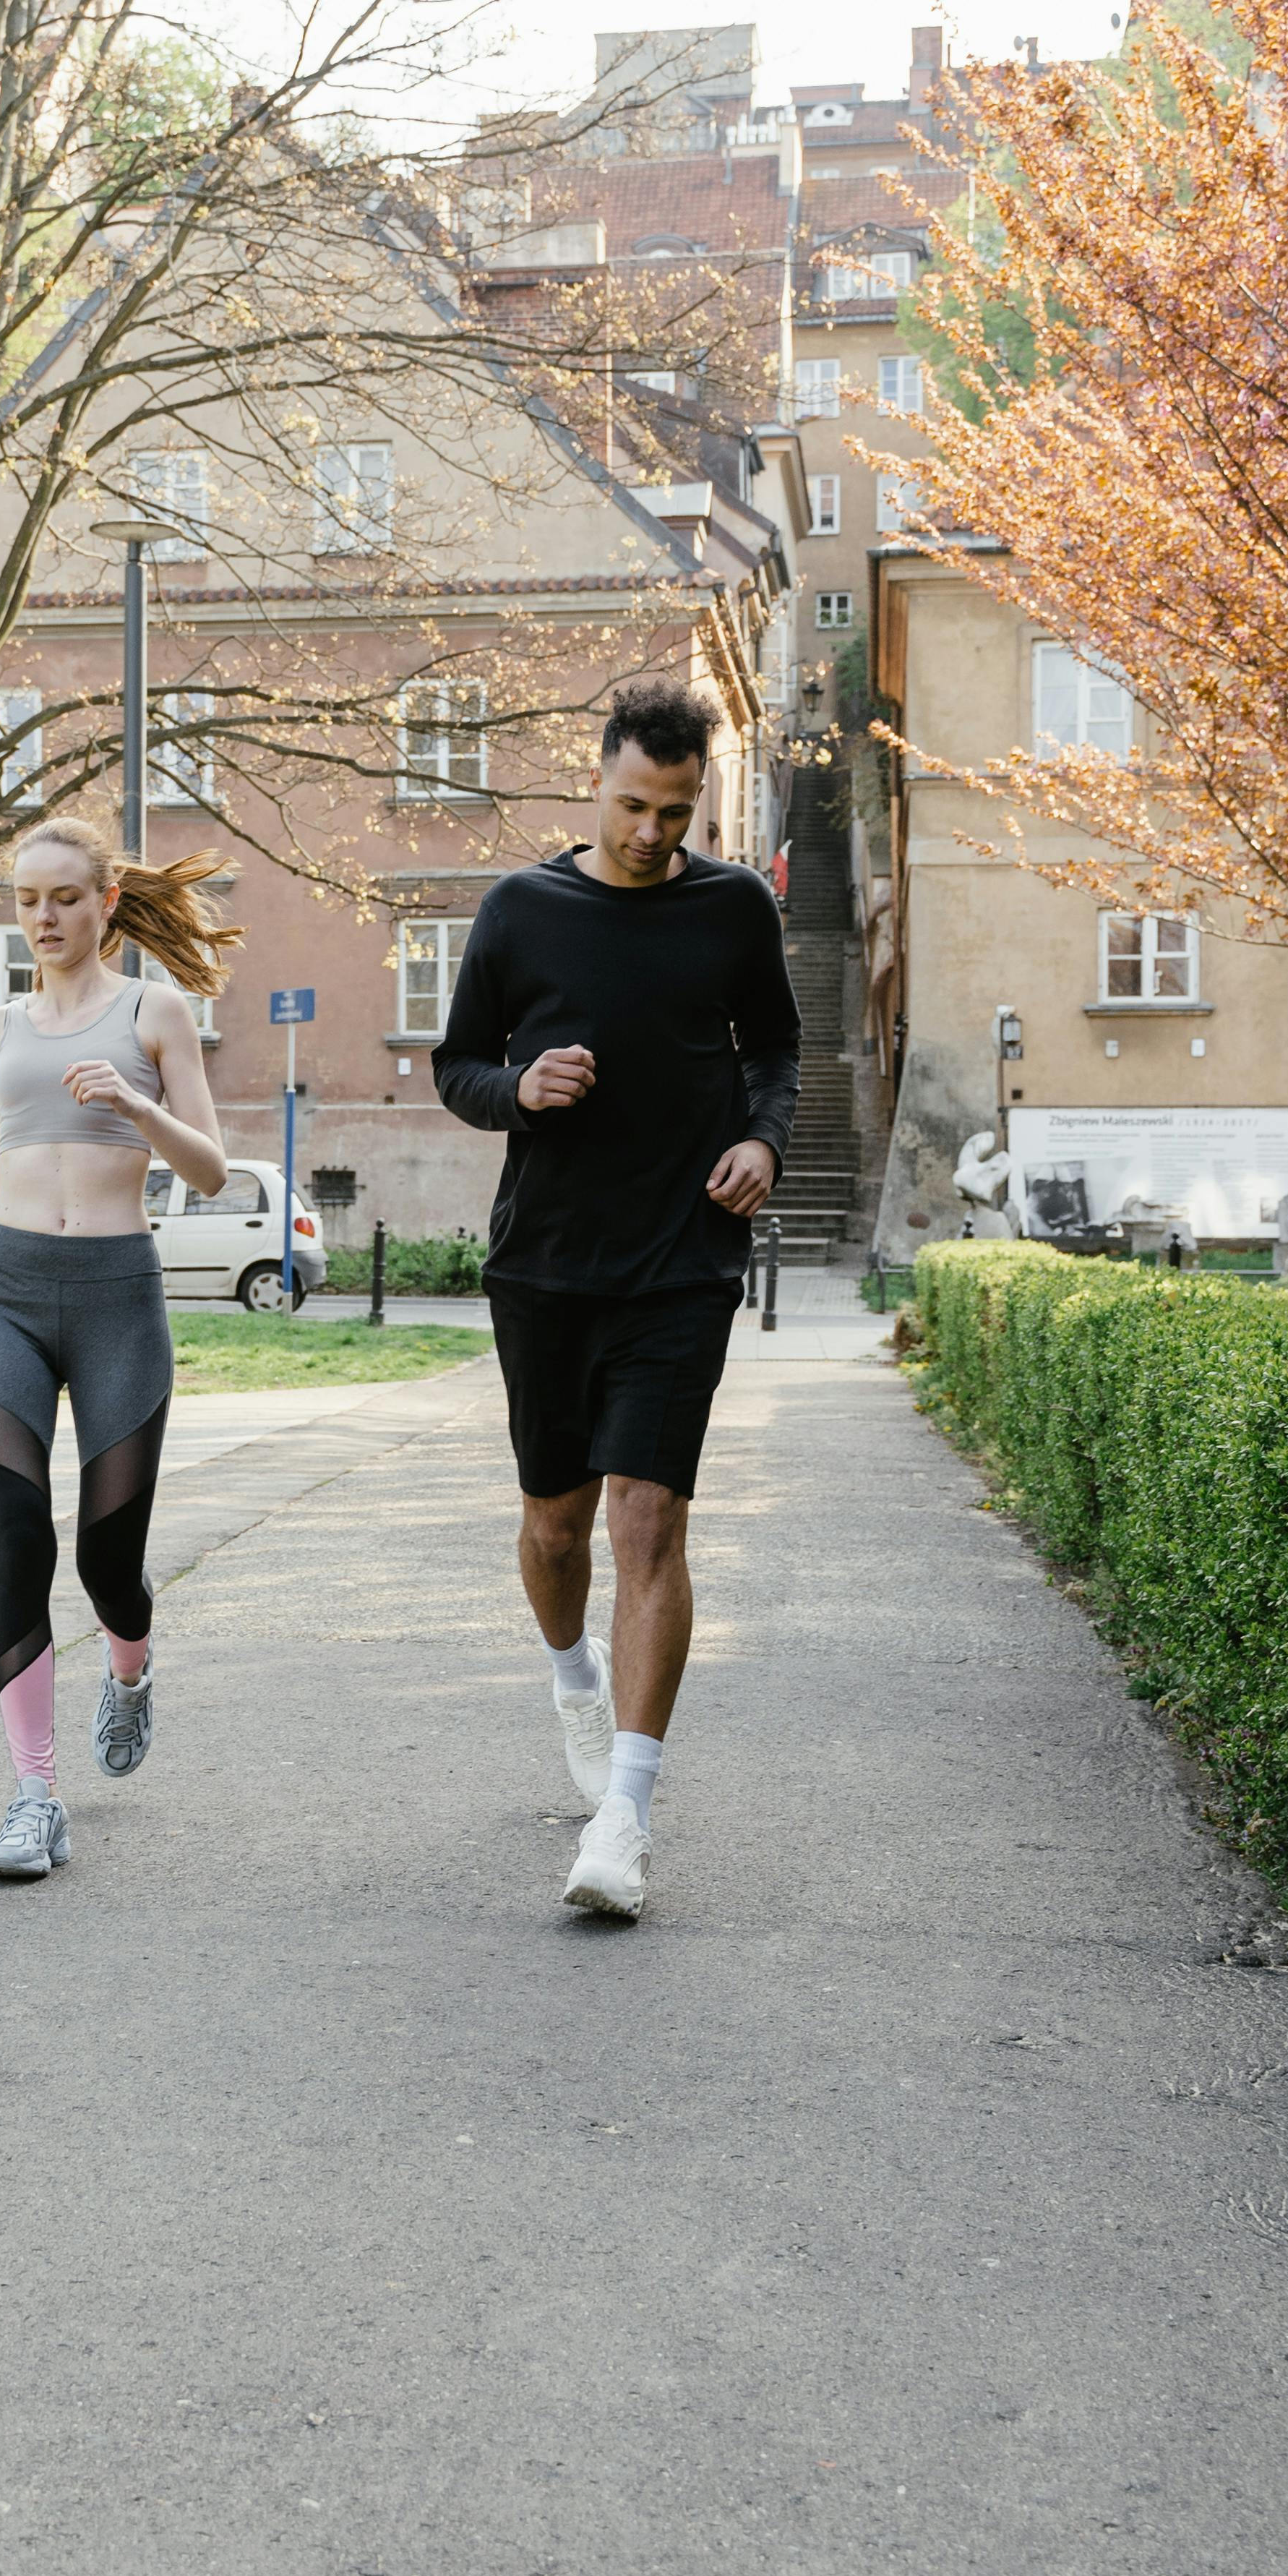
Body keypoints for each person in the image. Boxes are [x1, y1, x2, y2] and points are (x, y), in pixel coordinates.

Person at [432, 680, 801, 1920]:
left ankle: (624, 1820)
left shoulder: (733, 905)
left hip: (682, 1259)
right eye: (635, 806)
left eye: (677, 812)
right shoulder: (520, 910)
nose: (653, 834)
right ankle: (570, 1677)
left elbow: (777, 1052)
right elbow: (456, 1067)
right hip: (544, 1261)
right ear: (595, 782)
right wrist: (517, 1088)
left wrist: (763, 1141)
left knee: (646, 1521)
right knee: (555, 1525)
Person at [0, 815, 241, 1882]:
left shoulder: (156, 1009)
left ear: (107, 903)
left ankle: (132, 1665)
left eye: (64, 898)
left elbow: (206, 1170)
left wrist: (137, 1104)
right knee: (19, 1538)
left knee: (108, 1563)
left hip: (115, 1296)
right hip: (6, 1291)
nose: (43, 918)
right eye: (25, 900)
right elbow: (18, 1163)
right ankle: (31, 1796)